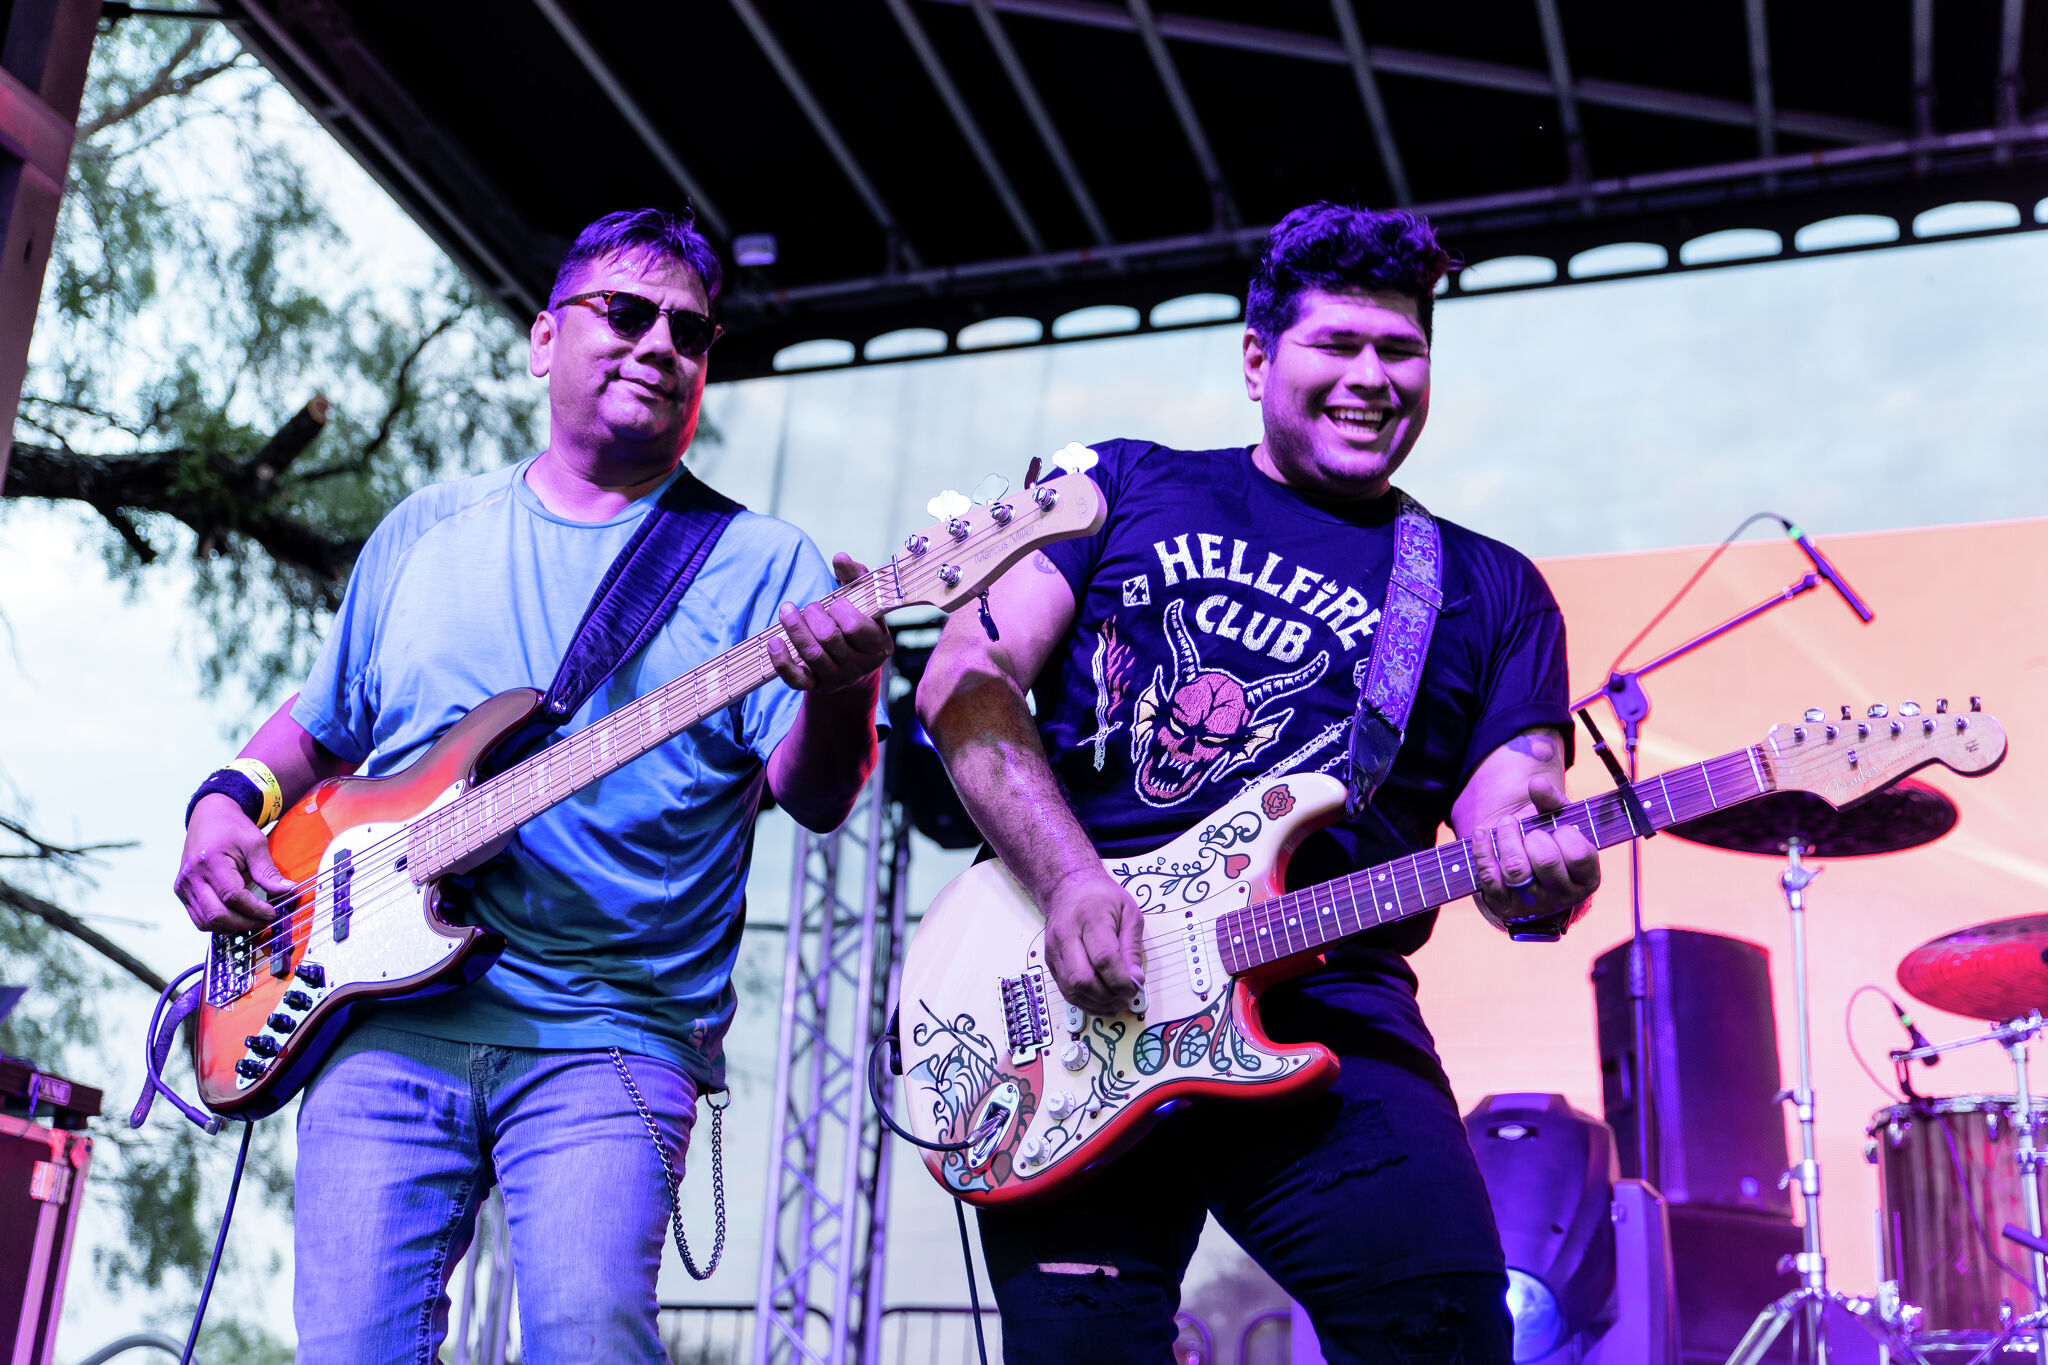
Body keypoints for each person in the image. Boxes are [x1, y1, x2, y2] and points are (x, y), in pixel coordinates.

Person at [172, 208, 891, 1363]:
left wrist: (847, 686)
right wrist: (220, 805)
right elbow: (312, 735)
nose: (660, 344)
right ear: (542, 338)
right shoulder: (425, 532)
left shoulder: (764, 565)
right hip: (375, 1020)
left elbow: (813, 795)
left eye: (689, 333)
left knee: (590, 1339)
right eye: (625, 313)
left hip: (610, 1033)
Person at [915, 202, 1601, 1362]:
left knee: (1440, 1335)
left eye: (1400, 348)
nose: (1372, 377)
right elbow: (963, 677)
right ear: (1255, 358)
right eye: (1337, 344)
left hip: (1333, 1007)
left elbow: (1509, 822)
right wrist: (1074, 883)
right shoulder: (1119, 486)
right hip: (1068, 997)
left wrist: (1540, 872)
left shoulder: (1489, 590)